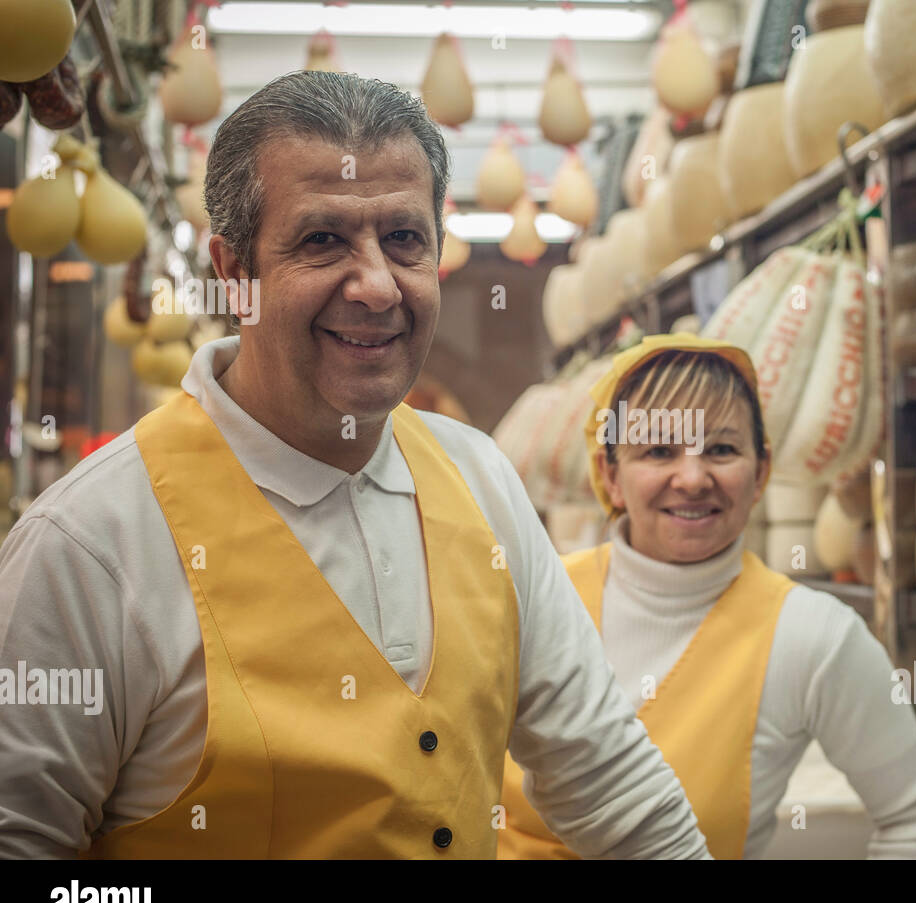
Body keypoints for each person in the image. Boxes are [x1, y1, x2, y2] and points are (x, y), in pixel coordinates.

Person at [0, 72, 710, 860]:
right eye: (322, 240)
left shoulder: (480, 481)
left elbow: (606, 777)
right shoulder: (89, 546)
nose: (376, 287)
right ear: (235, 275)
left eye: (404, 239)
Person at [498, 334, 916, 859]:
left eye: (720, 449)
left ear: (760, 472)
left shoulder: (812, 636)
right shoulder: (537, 598)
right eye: (659, 451)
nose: (692, 479)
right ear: (611, 474)